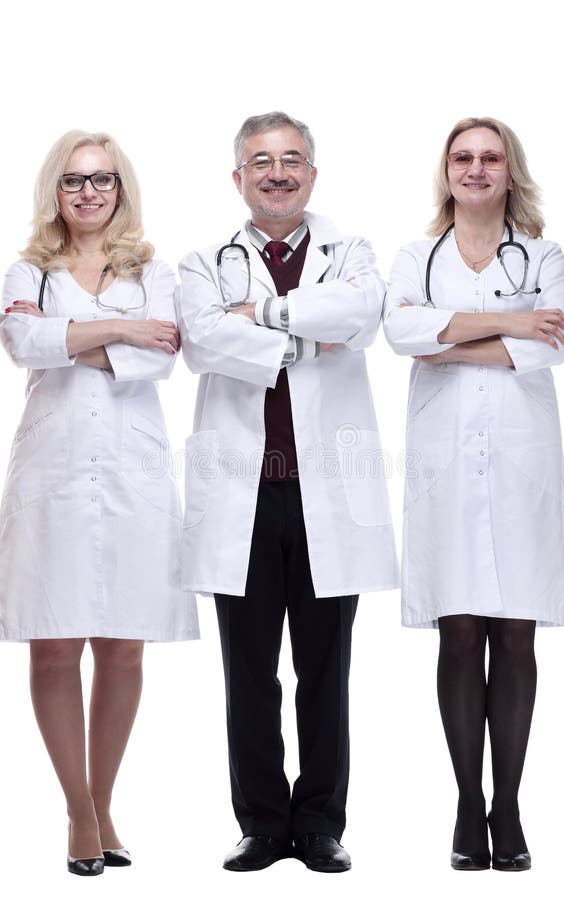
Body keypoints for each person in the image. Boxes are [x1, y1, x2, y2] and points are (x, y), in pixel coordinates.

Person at [177, 111, 398, 873]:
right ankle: (263, 825)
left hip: (326, 492)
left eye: (292, 159)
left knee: (325, 668)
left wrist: (265, 318)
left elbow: (363, 315)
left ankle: (321, 825)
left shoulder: (352, 253)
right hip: (244, 494)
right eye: (261, 161)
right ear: (238, 177)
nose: (278, 172)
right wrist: (310, 336)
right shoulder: (204, 262)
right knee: (248, 670)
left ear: (312, 172)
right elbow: (204, 341)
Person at [0, 130, 199, 876]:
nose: (88, 192)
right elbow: (22, 340)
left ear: (121, 189)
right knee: (53, 639)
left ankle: (102, 800)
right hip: (52, 470)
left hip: (133, 472)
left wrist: (71, 339)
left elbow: (164, 352)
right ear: (56, 190)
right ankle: (79, 813)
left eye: (102, 180)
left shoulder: (156, 271)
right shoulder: (30, 269)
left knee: (123, 642)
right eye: (75, 180)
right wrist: (116, 328)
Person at [383, 117, 564, 872]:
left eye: (490, 157)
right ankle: (468, 802)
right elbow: (401, 335)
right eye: (463, 157)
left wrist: (451, 337)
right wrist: (508, 324)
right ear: (446, 172)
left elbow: (556, 341)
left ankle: (511, 804)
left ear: (509, 170)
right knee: (458, 630)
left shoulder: (544, 252)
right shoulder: (415, 256)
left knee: (515, 635)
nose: (476, 168)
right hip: (444, 462)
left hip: (522, 458)